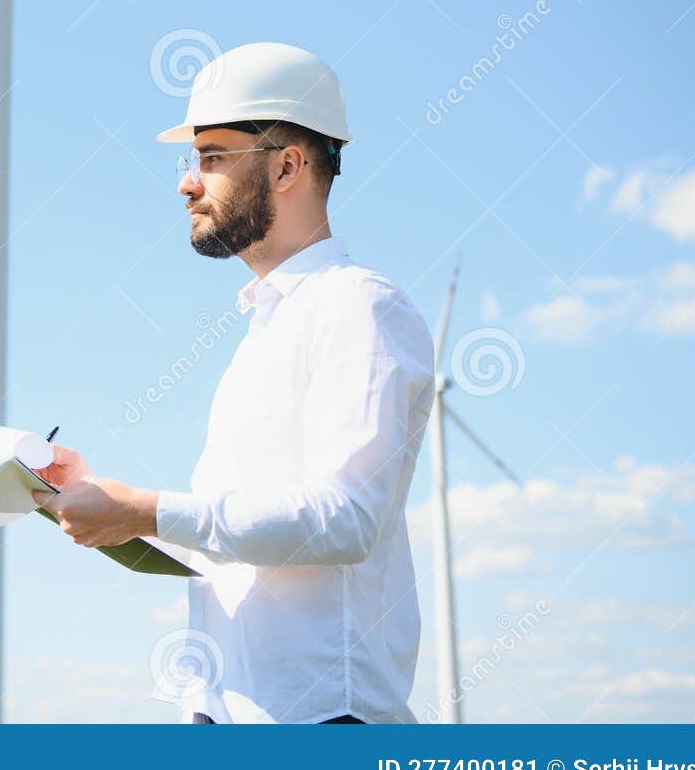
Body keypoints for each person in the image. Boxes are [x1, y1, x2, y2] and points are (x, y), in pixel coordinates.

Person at [32, 41, 435, 724]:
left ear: (286, 166)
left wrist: (145, 510)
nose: (188, 184)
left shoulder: (359, 305)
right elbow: (237, 538)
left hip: (320, 721)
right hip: (224, 712)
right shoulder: (268, 327)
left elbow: (345, 519)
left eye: (213, 157)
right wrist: (102, 503)